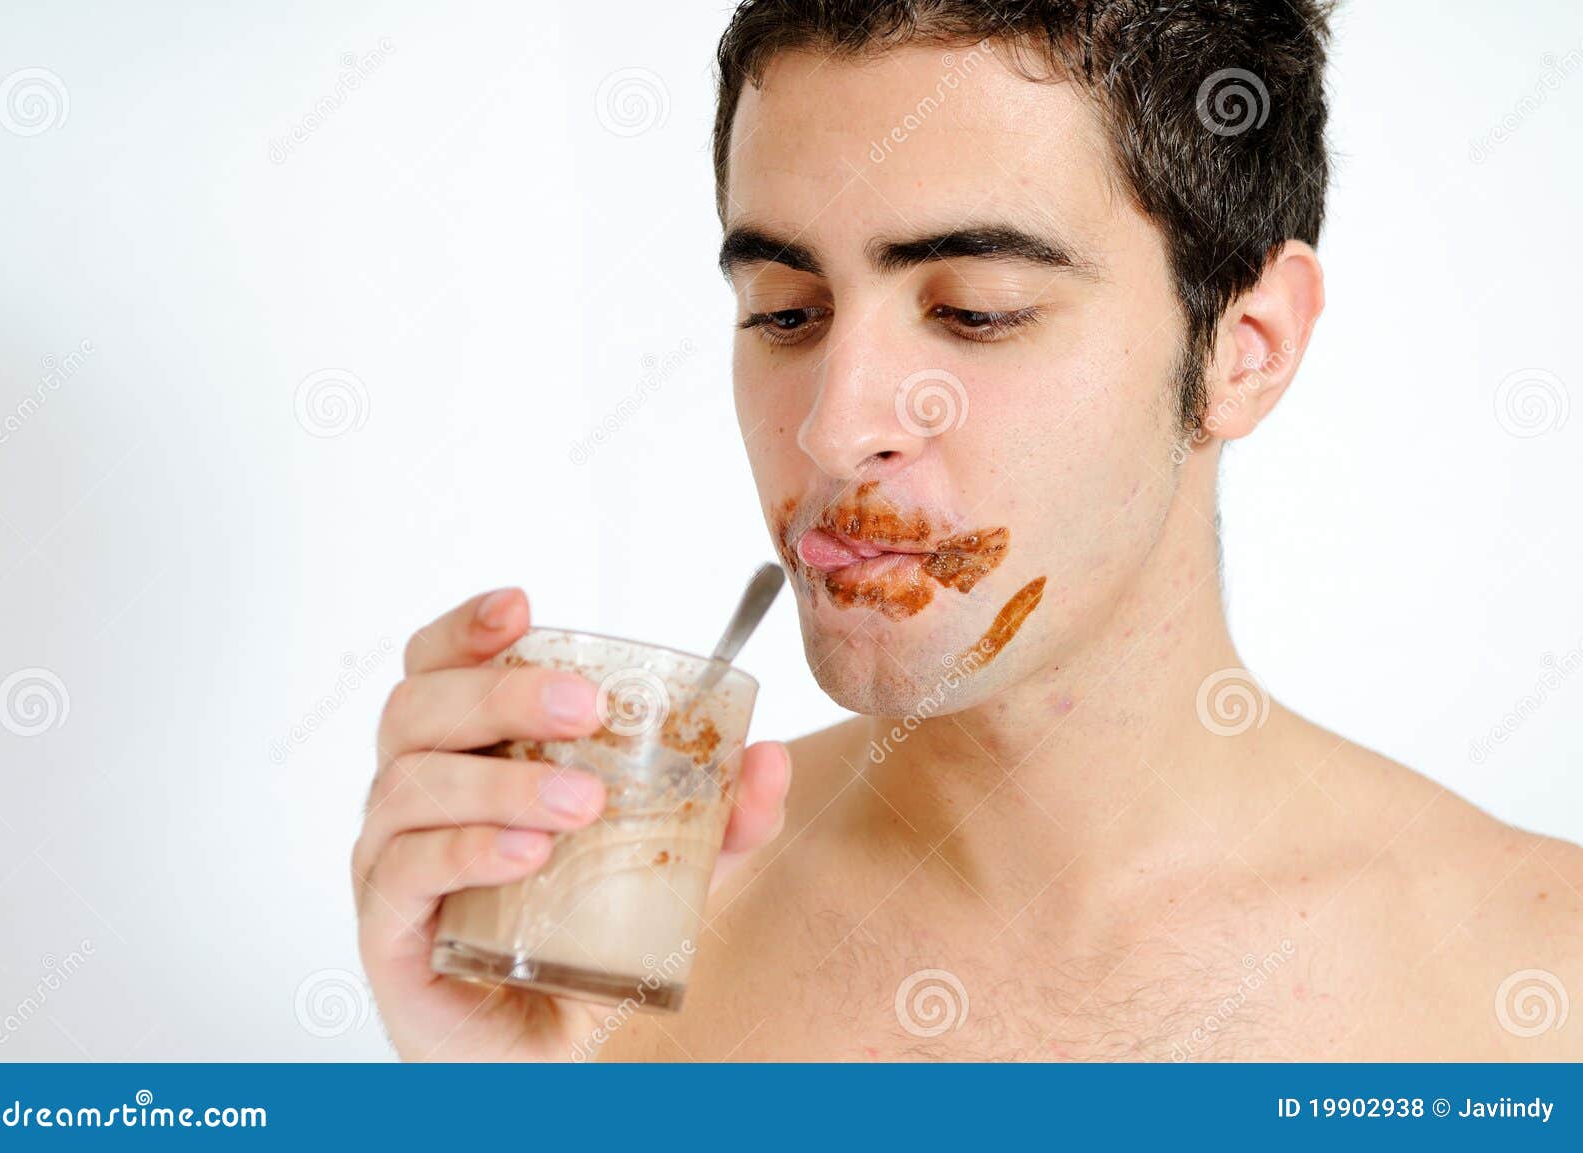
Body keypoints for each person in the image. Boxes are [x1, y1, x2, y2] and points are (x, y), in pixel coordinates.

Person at [352, 0, 1581, 1060]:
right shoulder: (611, 949)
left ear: (1244, 350)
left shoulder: (1534, 988)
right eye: (785, 312)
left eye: (976, 311)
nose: (834, 429)